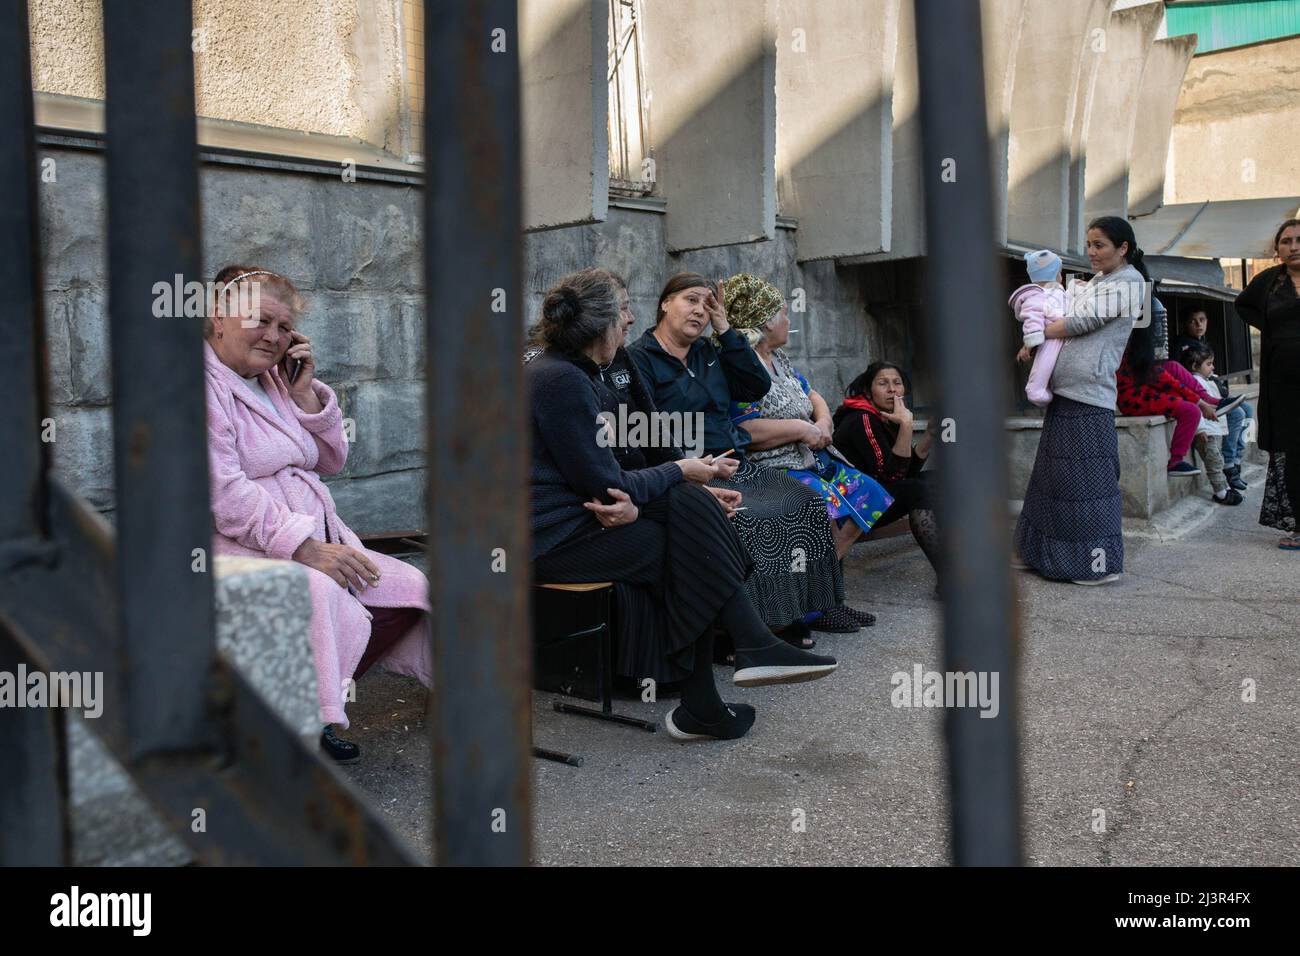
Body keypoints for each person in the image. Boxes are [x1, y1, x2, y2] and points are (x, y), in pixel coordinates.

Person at [528, 268, 838, 742]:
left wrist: (691, 483)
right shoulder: (558, 379)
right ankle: (734, 667)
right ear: (599, 324)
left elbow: (631, 454)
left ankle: (727, 678)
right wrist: (683, 473)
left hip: (585, 517)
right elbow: (605, 483)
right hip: (551, 538)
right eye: (624, 310)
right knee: (684, 542)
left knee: (690, 515)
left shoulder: (582, 372)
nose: (631, 319)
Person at [203, 265, 432, 762]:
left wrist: (306, 393)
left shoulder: (277, 380)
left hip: (316, 532)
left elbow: (330, 460)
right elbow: (221, 493)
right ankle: (303, 721)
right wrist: (302, 547)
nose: (274, 337)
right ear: (218, 317)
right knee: (320, 592)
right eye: (261, 320)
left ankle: (325, 697)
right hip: (238, 545)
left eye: (285, 328)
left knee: (409, 591)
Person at [629, 272, 873, 638]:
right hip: (688, 467)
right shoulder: (639, 359)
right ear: (665, 303)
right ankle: (750, 630)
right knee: (750, 516)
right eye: (690, 300)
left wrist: (725, 329)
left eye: (706, 304)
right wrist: (690, 465)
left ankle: (802, 611)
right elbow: (642, 429)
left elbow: (754, 385)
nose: (699, 310)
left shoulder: (709, 352)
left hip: (734, 462)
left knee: (805, 501)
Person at [723, 273, 895, 559]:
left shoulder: (780, 359)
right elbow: (746, 428)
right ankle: (816, 590)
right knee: (823, 506)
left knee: (870, 493)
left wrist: (824, 422)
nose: (790, 322)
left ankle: (823, 576)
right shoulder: (742, 367)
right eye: (784, 314)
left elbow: (811, 394)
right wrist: (801, 429)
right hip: (774, 467)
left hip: (813, 457)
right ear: (766, 320)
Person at [1012, 217, 1145, 585]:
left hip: (1089, 396)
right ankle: (1036, 554)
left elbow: (1080, 321)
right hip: (1067, 393)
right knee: (1053, 479)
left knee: (1088, 482)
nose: (1091, 252)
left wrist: (1034, 334)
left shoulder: (1130, 282)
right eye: (1089, 244)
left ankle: (1095, 565)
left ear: (1123, 248)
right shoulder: (1101, 281)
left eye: (1100, 245)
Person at [831, 362, 941, 583]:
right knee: (918, 489)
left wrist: (929, 436)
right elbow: (893, 477)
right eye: (883, 383)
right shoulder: (862, 418)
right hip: (852, 505)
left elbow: (905, 472)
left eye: (897, 383)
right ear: (868, 392)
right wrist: (907, 427)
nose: (892, 389)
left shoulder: (884, 416)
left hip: (876, 493)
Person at [1234, 218, 1300, 550]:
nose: (1294, 246)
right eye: (1286, 241)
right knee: (1293, 452)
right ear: (1278, 250)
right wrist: (1271, 329)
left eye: (1299, 239)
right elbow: (1242, 304)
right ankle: (1299, 527)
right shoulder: (1270, 283)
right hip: (1283, 385)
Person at [1170, 308, 1252, 490]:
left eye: (1202, 320)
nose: (1199, 325)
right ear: (1185, 324)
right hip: (1196, 392)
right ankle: (1229, 465)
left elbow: (1209, 373)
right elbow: (1187, 377)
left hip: (1209, 389)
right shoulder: (1181, 345)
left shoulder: (1203, 342)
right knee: (1237, 413)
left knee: (1248, 410)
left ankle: (1237, 459)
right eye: (1193, 321)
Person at [1179, 343, 1243, 506]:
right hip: (1204, 431)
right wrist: (1200, 430)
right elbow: (1194, 407)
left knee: (1217, 460)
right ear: (1194, 366)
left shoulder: (1205, 380)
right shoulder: (1194, 382)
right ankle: (1221, 493)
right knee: (1214, 462)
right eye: (1208, 364)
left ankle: (1225, 487)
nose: (1212, 367)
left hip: (1212, 429)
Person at [1009, 250, 1067, 407]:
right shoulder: (1036, 296)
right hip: (1050, 340)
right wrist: (1031, 341)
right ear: (1054, 274)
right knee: (1043, 367)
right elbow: (1033, 319)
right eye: (1060, 273)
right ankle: (1037, 393)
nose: (1062, 277)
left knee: (1050, 368)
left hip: (1061, 336)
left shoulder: (1056, 293)